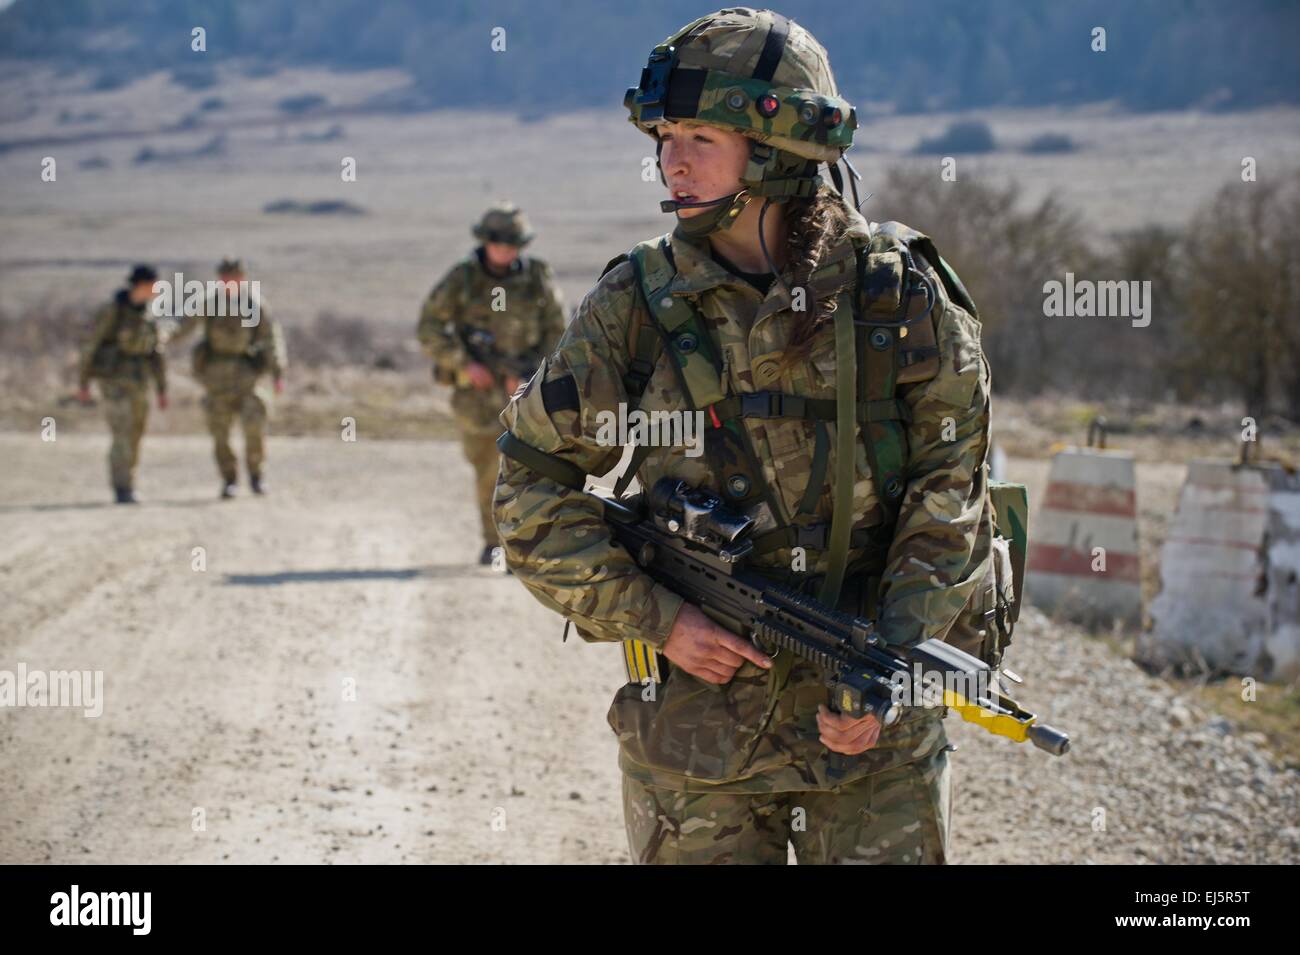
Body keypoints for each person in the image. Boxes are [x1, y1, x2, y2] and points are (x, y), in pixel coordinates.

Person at [493, 8, 995, 864]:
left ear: (777, 149)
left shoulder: (899, 296)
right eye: (665, 135)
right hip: (697, 753)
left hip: (870, 748)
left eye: (701, 137)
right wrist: (659, 617)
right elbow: (530, 492)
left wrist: (888, 674)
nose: (671, 160)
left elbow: (951, 497)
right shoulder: (639, 302)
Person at [417, 203, 567, 565]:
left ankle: (519, 546)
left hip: (526, 392)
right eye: (499, 243)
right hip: (478, 396)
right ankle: (494, 541)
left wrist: (532, 372)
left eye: (513, 244)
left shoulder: (537, 277)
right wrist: (464, 364)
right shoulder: (463, 279)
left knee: (528, 468)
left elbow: (558, 332)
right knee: (488, 468)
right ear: (485, 242)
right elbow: (429, 328)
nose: (506, 251)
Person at [175, 258, 285, 499]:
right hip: (216, 378)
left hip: (246, 377)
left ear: (242, 278)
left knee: (254, 428)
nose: (230, 282)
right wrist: (160, 340)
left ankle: (256, 477)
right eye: (226, 277)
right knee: (220, 433)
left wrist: (277, 371)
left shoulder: (254, 305)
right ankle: (229, 480)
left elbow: (270, 338)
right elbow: (184, 327)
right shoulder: (208, 303)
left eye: (234, 276)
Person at [77, 264, 168, 504]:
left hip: (140, 382)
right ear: (141, 285)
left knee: (136, 433)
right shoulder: (113, 311)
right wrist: (83, 383)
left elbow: (156, 353)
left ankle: (129, 481)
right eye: (154, 284)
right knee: (121, 433)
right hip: (114, 381)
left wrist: (161, 388)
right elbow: (91, 345)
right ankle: (122, 488)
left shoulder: (149, 314)